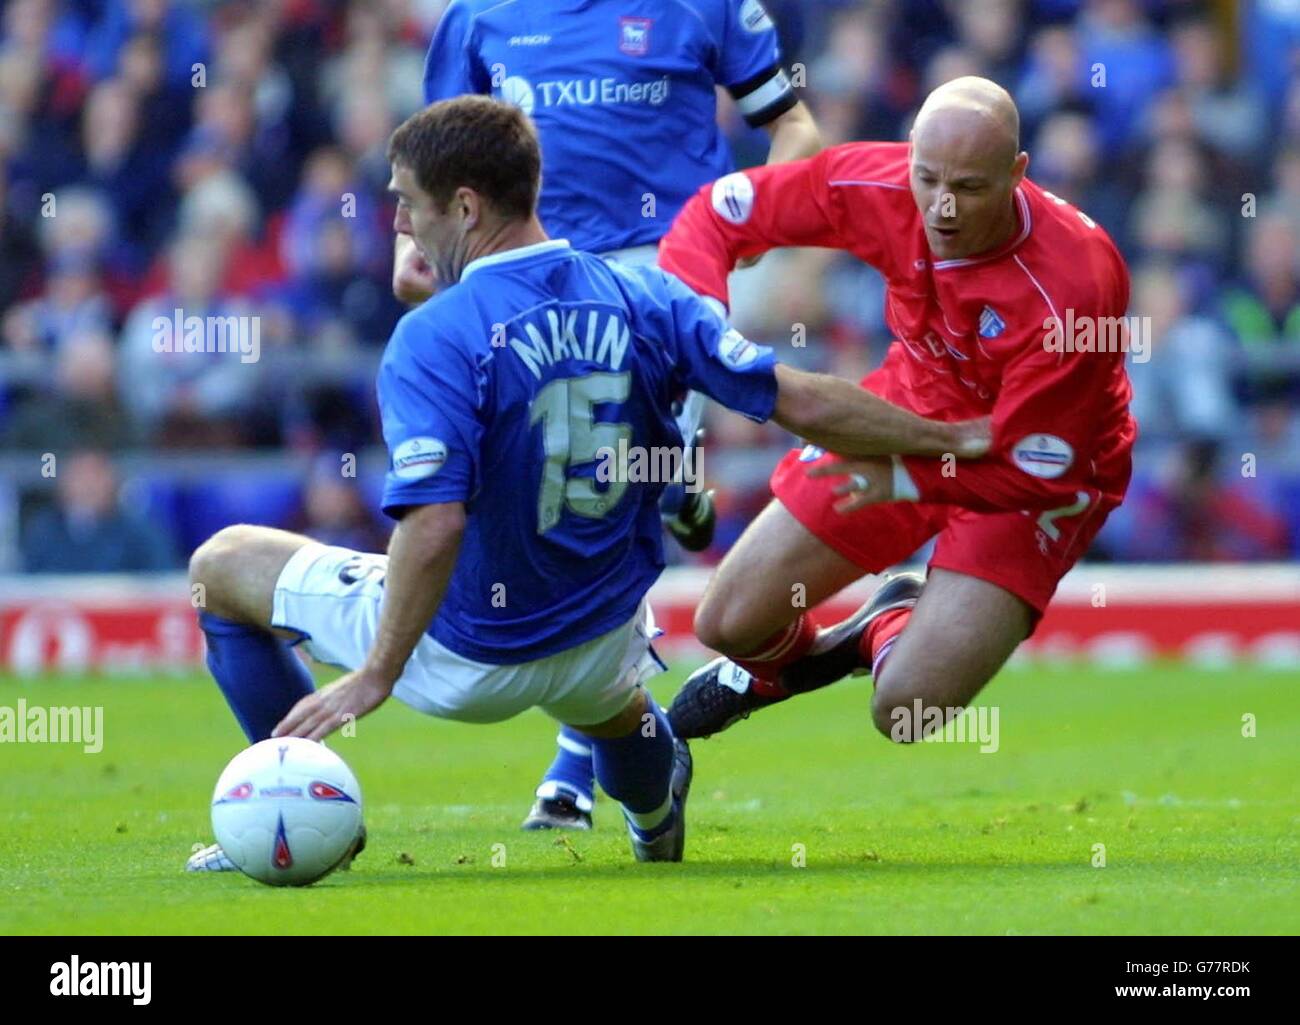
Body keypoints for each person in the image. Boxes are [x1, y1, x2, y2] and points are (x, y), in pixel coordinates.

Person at [185, 96, 987, 872]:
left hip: (466, 654)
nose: (397, 223)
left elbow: (432, 525)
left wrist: (376, 673)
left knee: (222, 566)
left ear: (464, 208)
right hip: (602, 638)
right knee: (614, 708)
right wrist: (950, 437)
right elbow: (800, 397)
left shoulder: (431, 335)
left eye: (406, 202)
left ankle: (290, 799)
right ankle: (652, 814)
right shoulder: (645, 295)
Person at [403, 0, 823, 830]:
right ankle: (677, 495)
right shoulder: (476, 18)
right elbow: (430, 154)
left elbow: (795, 126)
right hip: (527, 276)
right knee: (560, 488)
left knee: (601, 486)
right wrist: (410, 251)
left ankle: (569, 773)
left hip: (662, 269)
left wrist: (740, 232)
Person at [658, 76, 1137, 745]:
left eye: (969, 188)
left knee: (908, 711)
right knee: (730, 624)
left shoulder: (1076, 282)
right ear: (908, 152)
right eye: (928, 178)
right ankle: (844, 643)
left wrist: (911, 476)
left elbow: (1039, 466)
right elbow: (718, 213)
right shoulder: (878, 183)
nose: (942, 207)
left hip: (1036, 474)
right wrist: (705, 328)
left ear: (1018, 173)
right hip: (913, 415)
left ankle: (880, 646)